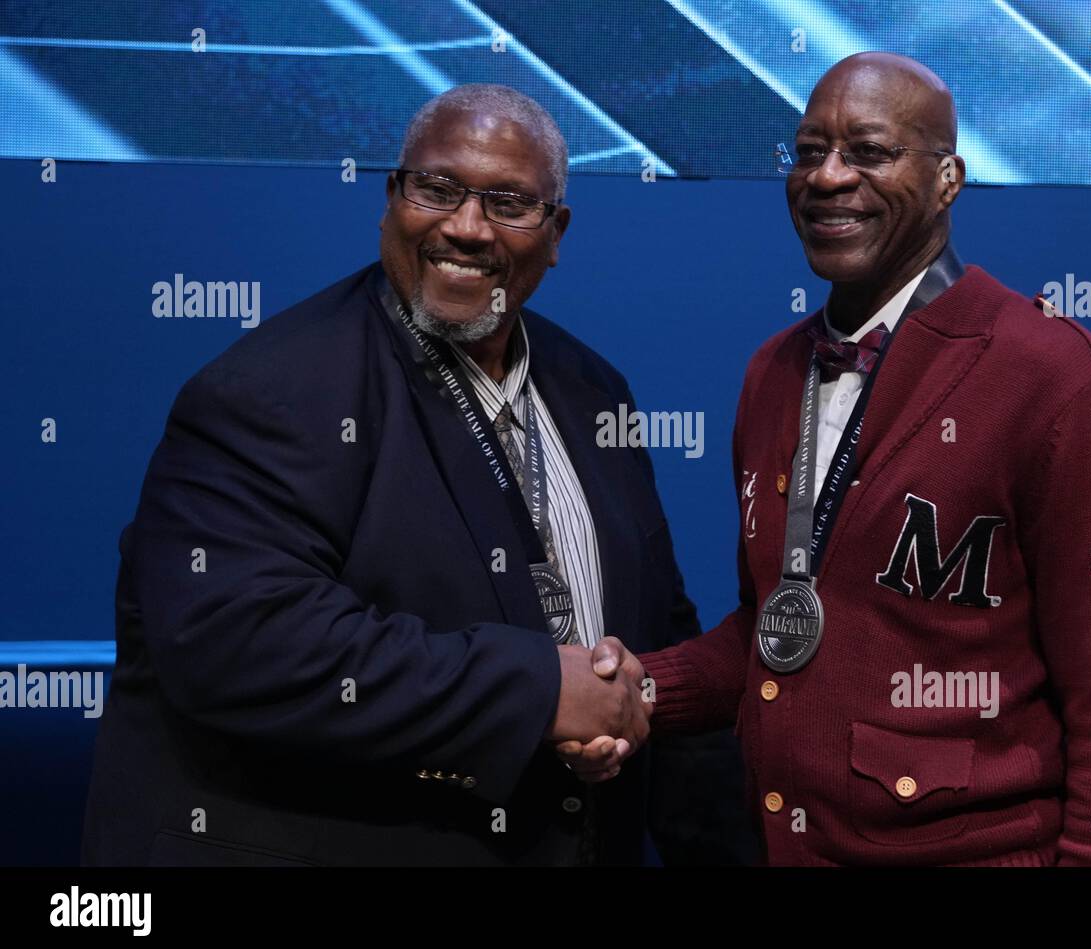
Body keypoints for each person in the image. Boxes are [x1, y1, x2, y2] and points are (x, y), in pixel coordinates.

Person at [82, 84, 750, 866]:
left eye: (508, 202)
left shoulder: (594, 390)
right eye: (436, 189)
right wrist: (539, 693)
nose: (465, 228)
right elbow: (239, 644)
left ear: (557, 231)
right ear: (391, 199)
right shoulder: (269, 389)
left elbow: (655, 633)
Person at [564, 53, 1091, 866]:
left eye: (868, 151)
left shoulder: (1053, 377)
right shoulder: (772, 374)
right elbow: (779, 630)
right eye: (809, 150)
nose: (826, 177)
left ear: (949, 180)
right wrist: (637, 689)